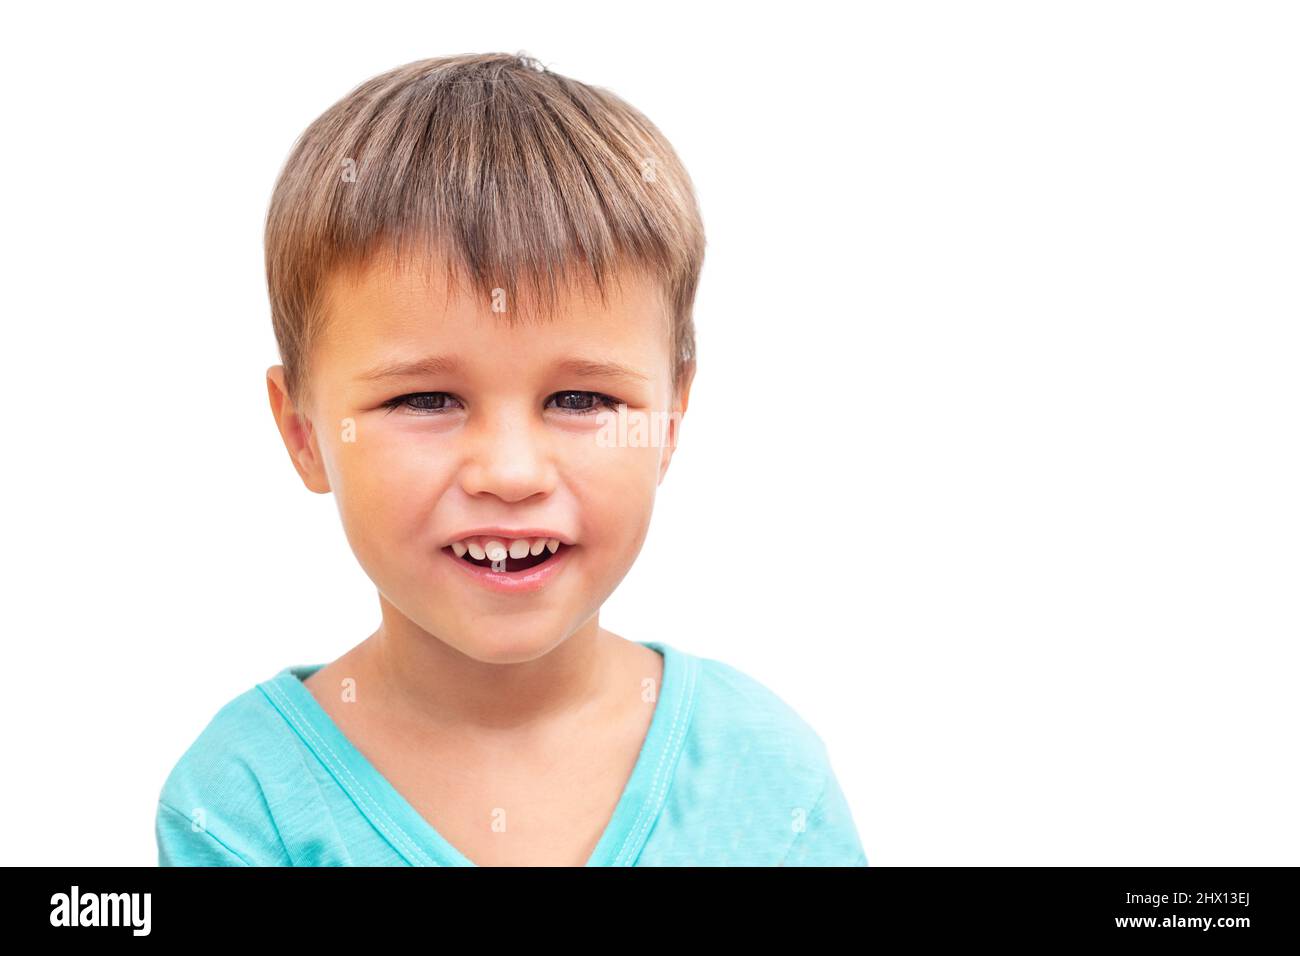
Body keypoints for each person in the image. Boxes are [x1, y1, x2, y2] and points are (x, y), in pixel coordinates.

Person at [155, 51, 867, 867]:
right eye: (424, 401)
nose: (511, 471)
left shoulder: (769, 779)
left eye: (580, 400)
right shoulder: (243, 803)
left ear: (670, 421)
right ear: (305, 434)